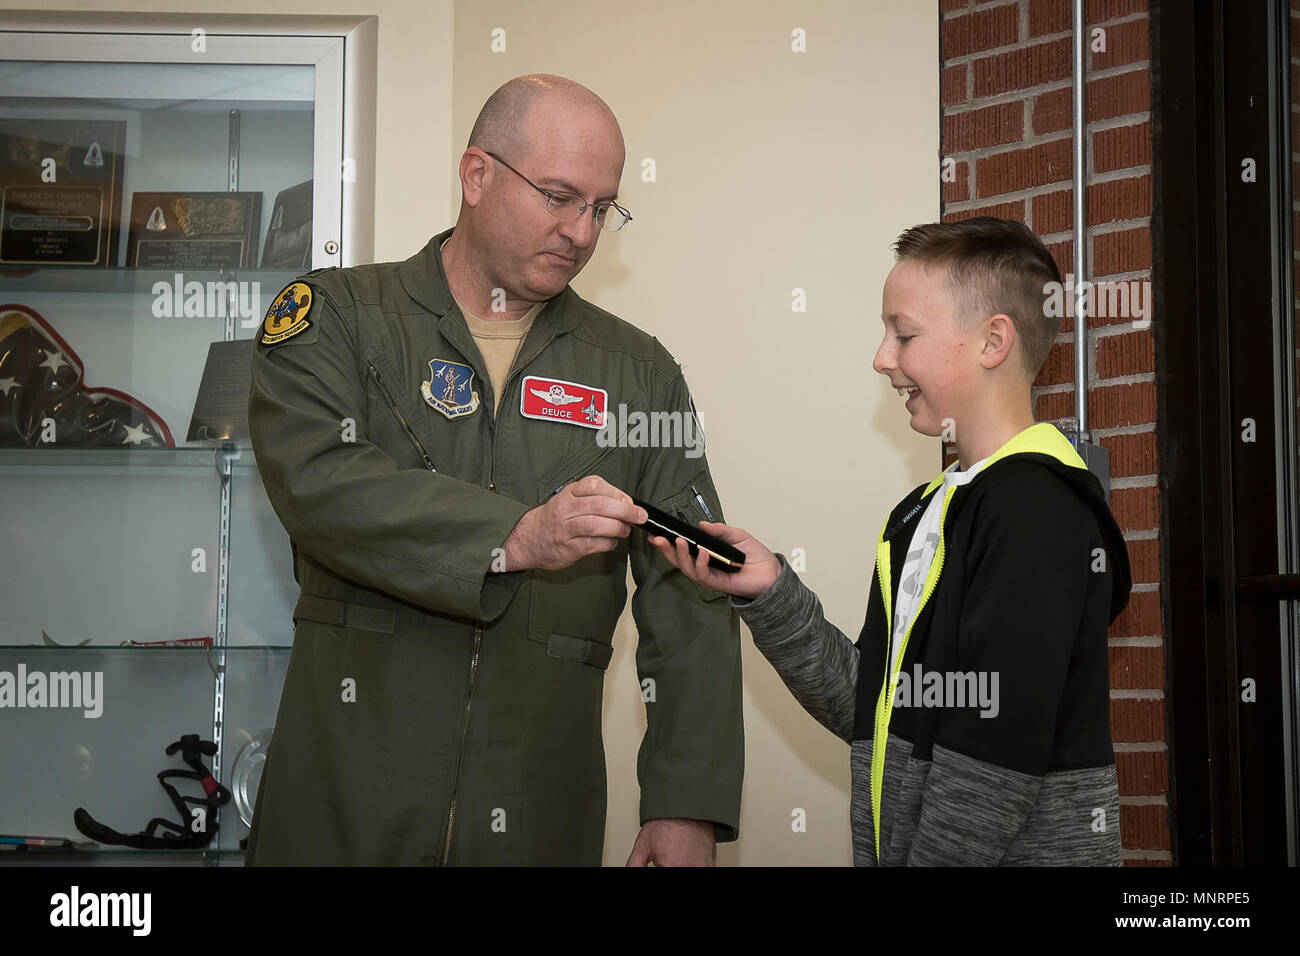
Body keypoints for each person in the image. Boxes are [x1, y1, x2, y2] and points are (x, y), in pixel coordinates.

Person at [245, 74, 743, 866]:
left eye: (601, 208)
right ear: (477, 176)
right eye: (558, 196)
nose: (581, 231)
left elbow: (692, 586)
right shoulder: (335, 317)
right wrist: (513, 537)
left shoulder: (637, 371)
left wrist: (687, 803)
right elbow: (321, 484)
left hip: (538, 798)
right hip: (348, 791)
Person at [649, 217, 1132, 865]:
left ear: (993, 341)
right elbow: (872, 711)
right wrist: (769, 592)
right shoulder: (920, 515)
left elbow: (990, 773)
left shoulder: (1035, 511)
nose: (881, 358)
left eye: (903, 334)